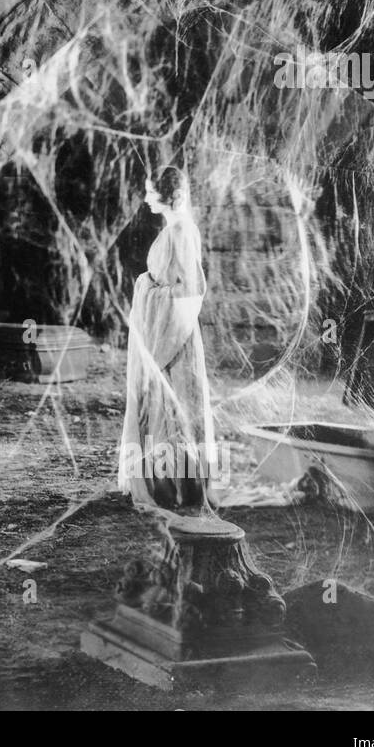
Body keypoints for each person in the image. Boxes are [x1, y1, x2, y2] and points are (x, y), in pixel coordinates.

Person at [118, 166, 218, 513]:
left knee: (174, 411)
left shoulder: (183, 231)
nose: (146, 199)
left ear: (167, 194)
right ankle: (163, 484)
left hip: (173, 338)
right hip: (160, 331)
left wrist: (158, 350)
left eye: (150, 192)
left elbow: (189, 292)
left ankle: (176, 489)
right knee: (161, 410)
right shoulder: (174, 229)